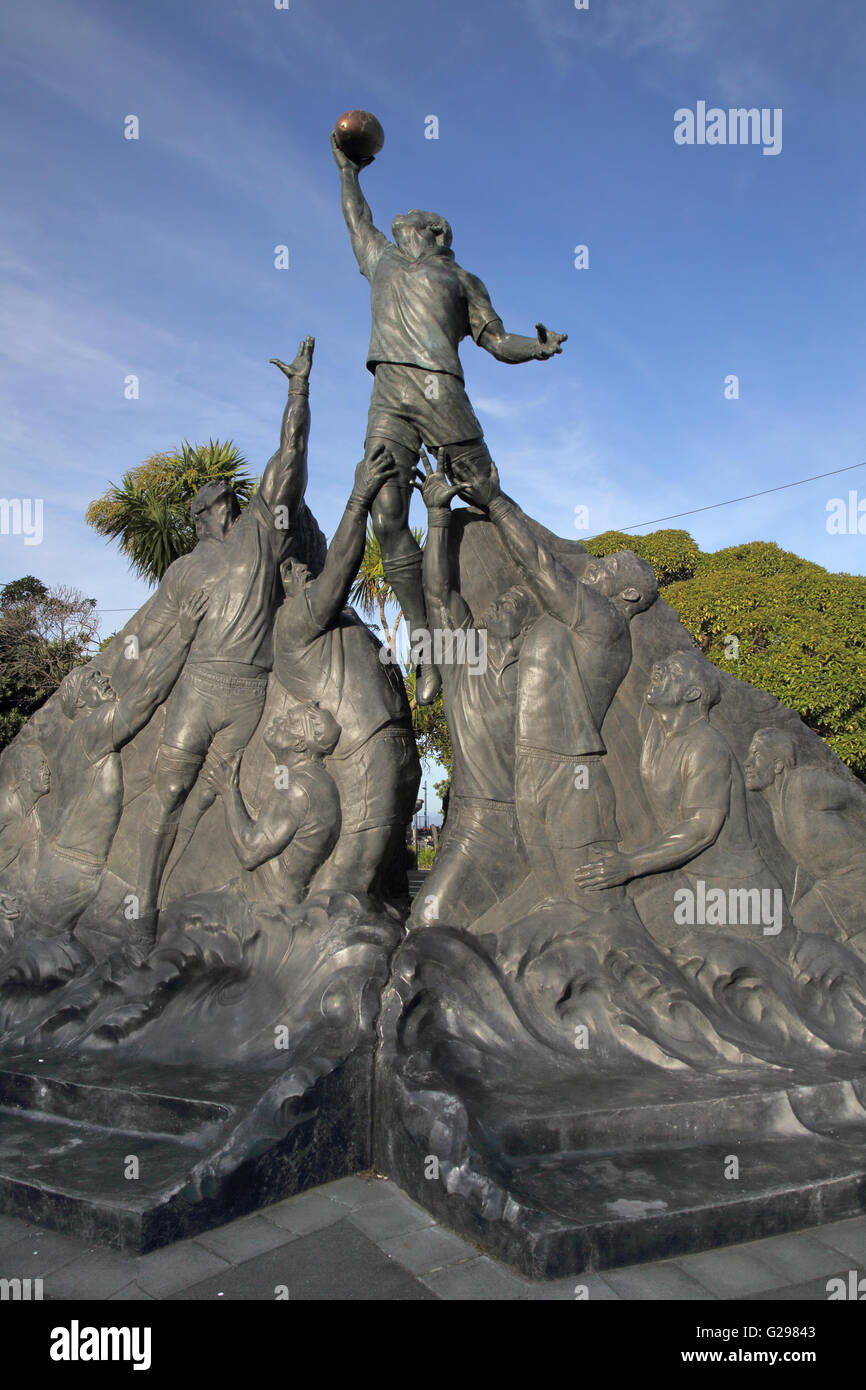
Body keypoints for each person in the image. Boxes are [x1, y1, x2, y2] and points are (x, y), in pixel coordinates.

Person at [331, 131, 567, 703]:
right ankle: (425, 651)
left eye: (409, 216)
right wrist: (348, 171)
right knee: (386, 517)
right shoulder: (380, 259)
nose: (398, 219)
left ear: (435, 233)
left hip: (442, 394)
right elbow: (355, 218)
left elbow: (494, 339)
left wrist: (535, 348)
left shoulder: (460, 279)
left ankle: (553, 583)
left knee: (486, 492)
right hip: (389, 396)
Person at [130, 340, 316, 918]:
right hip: (201, 687)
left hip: (247, 692)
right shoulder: (184, 570)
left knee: (217, 790)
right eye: (215, 503)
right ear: (201, 518)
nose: (225, 505)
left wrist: (297, 387)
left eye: (226, 498)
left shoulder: (261, 529)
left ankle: (207, 900)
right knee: (170, 793)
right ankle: (144, 905)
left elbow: (291, 450)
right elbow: (151, 632)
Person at [457, 459, 657, 905]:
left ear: (627, 596)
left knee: (593, 908)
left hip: (572, 775)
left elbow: (543, 570)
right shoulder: (572, 620)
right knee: (556, 904)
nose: (598, 566)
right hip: (533, 766)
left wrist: (496, 503)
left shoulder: (605, 622)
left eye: (612, 567)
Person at [272, 448, 420, 899]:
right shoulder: (292, 623)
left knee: (387, 894)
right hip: (364, 757)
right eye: (290, 569)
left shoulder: (344, 620)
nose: (302, 570)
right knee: (347, 894)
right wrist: (359, 499)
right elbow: (339, 571)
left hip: (396, 751)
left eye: (304, 561)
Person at [575, 653, 789, 944]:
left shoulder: (706, 747)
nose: (658, 668)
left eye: (673, 670)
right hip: (689, 879)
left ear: (692, 693)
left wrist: (631, 864)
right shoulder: (656, 728)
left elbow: (701, 828)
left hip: (734, 895)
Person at [409, 452, 538, 928]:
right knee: (429, 919)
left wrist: (499, 504)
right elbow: (439, 593)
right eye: (501, 598)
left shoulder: (539, 671)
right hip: (475, 819)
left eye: (512, 603)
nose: (499, 602)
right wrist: (438, 516)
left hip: (532, 820)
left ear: (525, 624)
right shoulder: (465, 657)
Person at [206, 703, 342, 907]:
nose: (278, 720)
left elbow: (249, 852)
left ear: (299, 744)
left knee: (177, 919)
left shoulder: (298, 788)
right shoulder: (298, 776)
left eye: (288, 721)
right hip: (266, 897)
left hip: (267, 908)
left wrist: (228, 791)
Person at [744, 726, 866, 945]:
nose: (747, 763)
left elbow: (857, 797)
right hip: (832, 885)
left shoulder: (804, 783)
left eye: (757, 755)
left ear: (778, 765)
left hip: (855, 881)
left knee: (796, 934)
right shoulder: (777, 807)